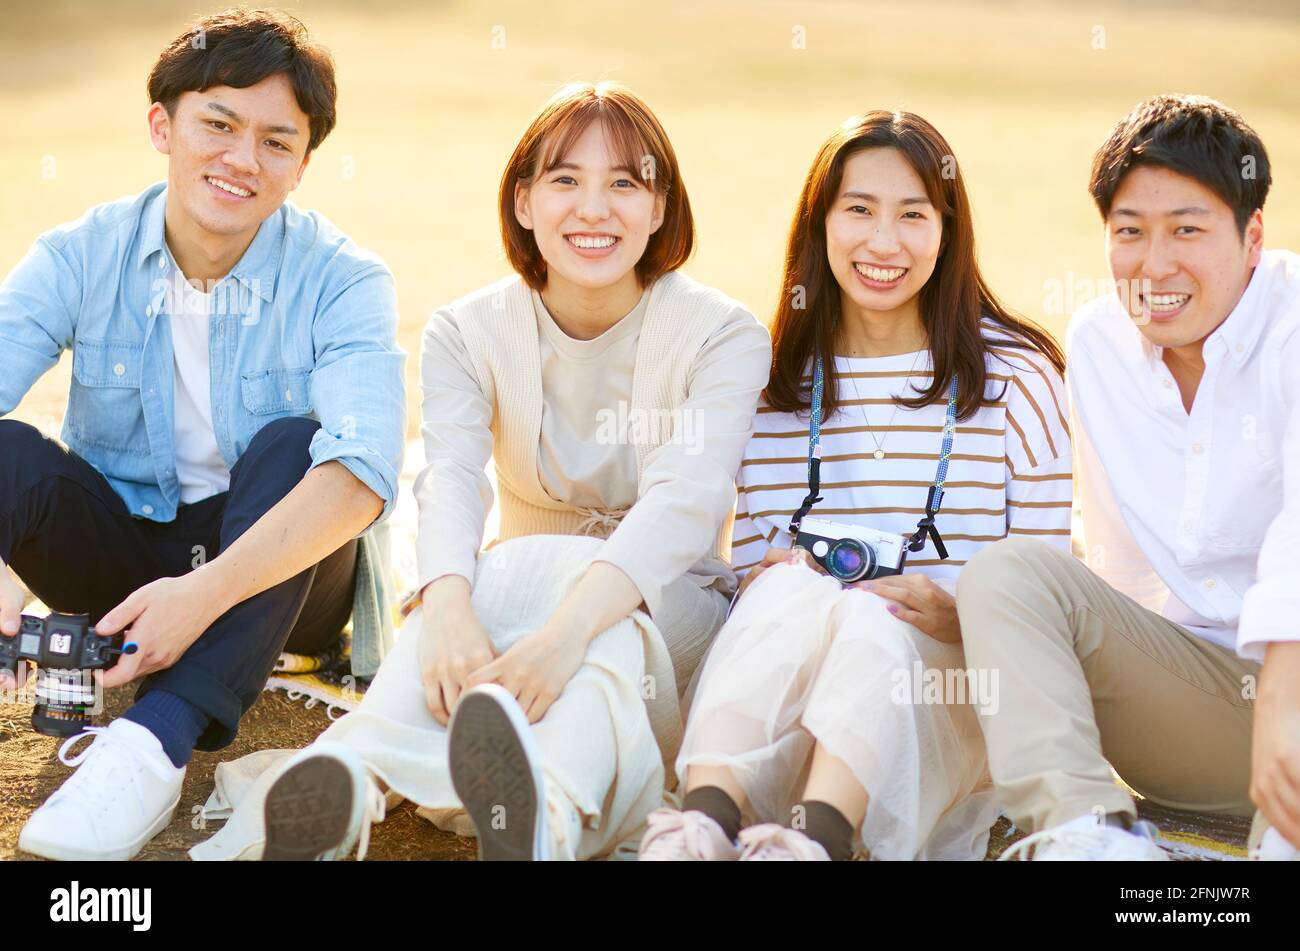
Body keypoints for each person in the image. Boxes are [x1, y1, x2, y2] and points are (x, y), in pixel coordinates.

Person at [188, 80, 771, 862]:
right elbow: (453, 479)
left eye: (624, 184)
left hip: (668, 613)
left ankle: (530, 810)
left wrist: (563, 633)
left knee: (575, 617)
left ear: (661, 209)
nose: (593, 209)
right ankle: (350, 789)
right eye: (565, 180)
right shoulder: (468, 329)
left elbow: (685, 505)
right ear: (524, 202)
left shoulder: (722, 334)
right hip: (511, 603)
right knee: (452, 609)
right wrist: (450, 605)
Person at [0, 8, 405, 861]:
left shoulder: (346, 278)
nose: (240, 160)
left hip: (286, 585)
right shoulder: (80, 254)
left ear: (300, 167)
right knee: (8, 453)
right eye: (218, 124)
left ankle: (153, 745)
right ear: (163, 126)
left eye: (275, 142)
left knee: (302, 446)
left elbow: (365, 472)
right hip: (125, 562)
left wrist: (209, 589)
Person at [638, 110, 1071, 861]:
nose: (883, 242)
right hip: (784, 723)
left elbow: (1050, 611)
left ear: (949, 229)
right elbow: (746, 586)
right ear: (821, 222)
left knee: (875, 618)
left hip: (942, 714)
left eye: (913, 216)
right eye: (859, 211)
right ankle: (699, 826)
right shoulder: (772, 382)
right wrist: (764, 578)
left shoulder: (1018, 378)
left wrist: (955, 612)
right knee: (789, 589)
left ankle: (816, 842)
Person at [957, 94, 1300, 861]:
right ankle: (1090, 837)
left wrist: (1283, 688)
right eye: (1129, 233)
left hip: (1294, 686)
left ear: (1252, 238)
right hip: (1202, 705)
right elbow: (1119, 569)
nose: (1156, 265)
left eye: (1187, 229)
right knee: (1009, 574)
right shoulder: (1100, 346)